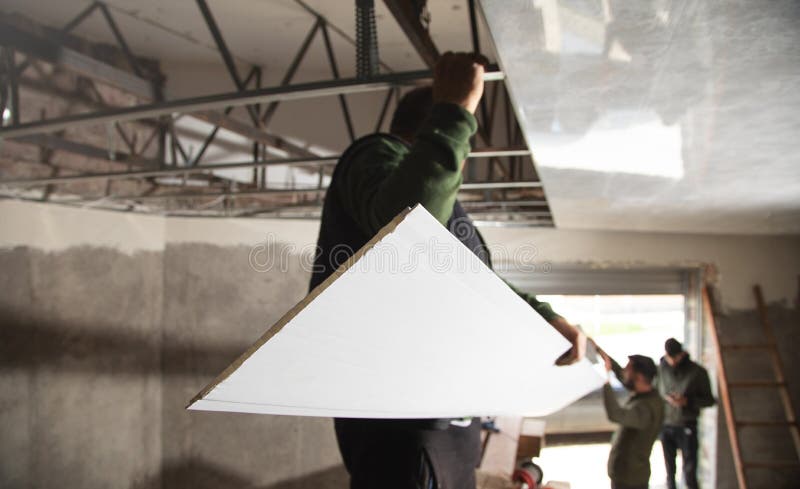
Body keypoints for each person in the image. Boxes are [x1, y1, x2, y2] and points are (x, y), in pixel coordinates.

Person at [308, 52, 584, 489]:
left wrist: (543, 316)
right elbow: (407, 225)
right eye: (462, 139)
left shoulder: (444, 212)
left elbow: (477, 284)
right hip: (400, 424)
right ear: (430, 131)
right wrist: (456, 111)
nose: (462, 154)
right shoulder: (373, 155)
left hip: (448, 423)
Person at [600, 351, 664, 489]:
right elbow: (622, 375)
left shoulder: (647, 408)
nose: (624, 372)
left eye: (627, 370)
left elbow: (615, 414)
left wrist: (605, 380)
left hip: (630, 478)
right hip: (626, 474)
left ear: (639, 377)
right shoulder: (647, 395)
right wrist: (603, 355)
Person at [658, 338, 715, 489]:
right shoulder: (661, 370)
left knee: (689, 470)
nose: (673, 361)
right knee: (669, 470)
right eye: (670, 357)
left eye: (676, 357)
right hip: (666, 424)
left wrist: (687, 401)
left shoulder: (697, 372)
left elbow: (709, 400)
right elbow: (655, 392)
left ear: (682, 354)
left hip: (687, 424)